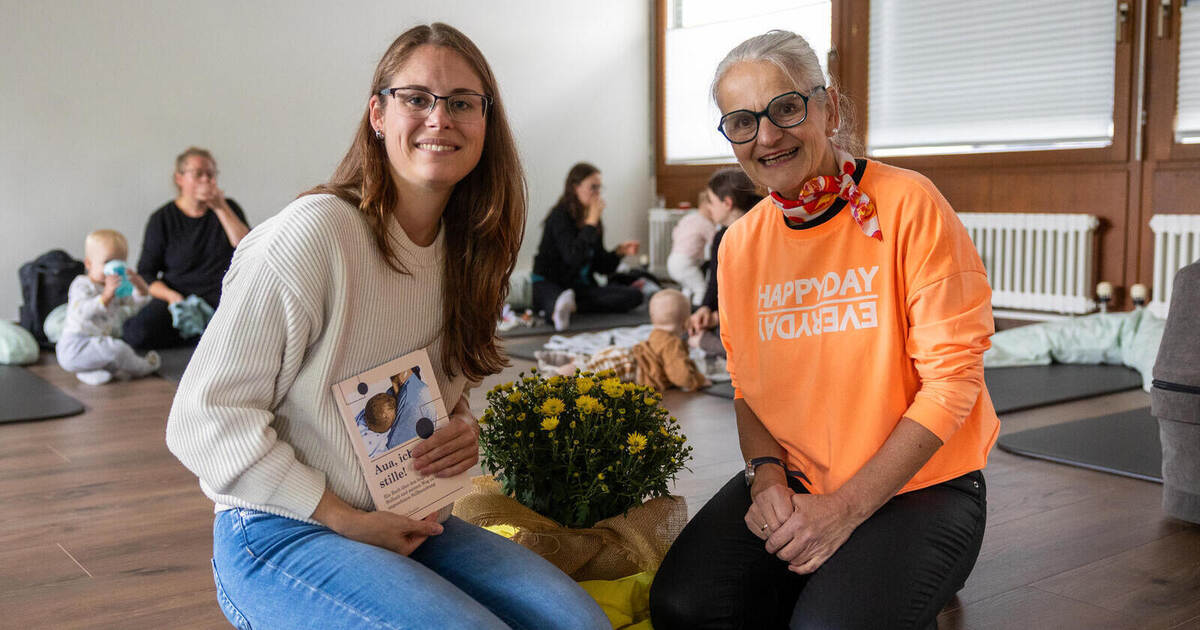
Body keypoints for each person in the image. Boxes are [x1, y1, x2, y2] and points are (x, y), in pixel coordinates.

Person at [165, 24, 608, 630]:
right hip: (279, 530)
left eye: (461, 103)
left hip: (408, 519)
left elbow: (439, 393)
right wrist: (341, 518)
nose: (440, 118)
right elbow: (202, 418)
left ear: (486, 121)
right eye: (417, 98)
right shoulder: (313, 235)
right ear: (378, 113)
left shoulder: (469, 249)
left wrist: (460, 427)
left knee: (578, 623)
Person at [650, 30, 999, 629]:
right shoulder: (738, 246)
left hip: (924, 487)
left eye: (785, 107)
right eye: (741, 121)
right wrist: (765, 481)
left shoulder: (910, 204)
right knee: (683, 608)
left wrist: (843, 511)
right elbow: (745, 388)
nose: (766, 136)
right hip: (797, 480)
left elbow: (952, 383)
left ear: (828, 108)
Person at [122, 147, 250, 350]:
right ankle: (200, 338)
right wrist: (172, 297)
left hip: (221, 295)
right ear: (179, 178)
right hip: (178, 296)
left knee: (249, 333)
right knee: (137, 333)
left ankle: (201, 338)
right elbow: (147, 273)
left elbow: (248, 247)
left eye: (211, 174)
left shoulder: (229, 208)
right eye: (198, 173)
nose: (206, 180)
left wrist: (220, 207)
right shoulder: (162, 218)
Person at [531, 162, 645, 331]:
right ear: (575, 187)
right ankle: (561, 306)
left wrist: (620, 252)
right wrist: (590, 223)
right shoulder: (559, 217)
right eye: (593, 187)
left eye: (599, 188)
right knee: (554, 299)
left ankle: (571, 307)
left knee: (634, 296)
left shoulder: (594, 220)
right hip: (551, 282)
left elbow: (601, 266)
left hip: (577, 287)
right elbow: (572, 257)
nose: (597, 193)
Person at [547, 289, 710, 392]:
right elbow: (680, 376)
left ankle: (563, 360)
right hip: (631, 368)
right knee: (590, 374)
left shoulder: (656, 333)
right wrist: (699, 381)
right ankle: (555, 377)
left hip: (624, 353)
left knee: (593, 364)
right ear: (685, 322)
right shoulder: (672, 344)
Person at [55, 229, 160, 385]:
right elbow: (81, 312)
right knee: (119, 349)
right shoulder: (82, 285)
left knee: (112, 355)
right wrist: (106, 296)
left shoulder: (115, 288)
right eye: (108, 263)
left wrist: (140, 286)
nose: (115, 269)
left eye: (120, 263)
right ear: (89, 264)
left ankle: (88, 372)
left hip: (95, 347)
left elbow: (136, 304)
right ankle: (144, 366)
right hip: (75, 347)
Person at [686, 167, 758, 358]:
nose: (708, 207)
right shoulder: (721, 236)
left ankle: (713, 343)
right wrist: (706, 308)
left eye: (710, 201)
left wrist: (720, 316)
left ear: (727, 203)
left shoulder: (762, 226)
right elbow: (715, 279)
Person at [666, 192, 716, 306]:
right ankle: (696, 312)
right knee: (701, 288)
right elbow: (716, 241)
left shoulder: (688, 218)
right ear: (708, 207)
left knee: (688, 287)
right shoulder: (705, 223)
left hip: (673, 260)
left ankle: (681, 309)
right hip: (685, 263)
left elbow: (675, 233)